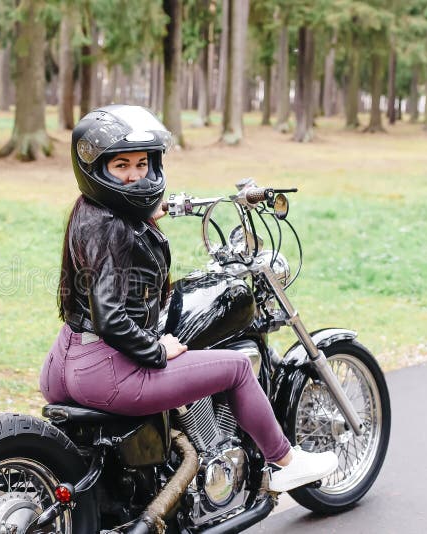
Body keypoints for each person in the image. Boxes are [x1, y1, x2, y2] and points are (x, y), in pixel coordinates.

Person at [39, 105, 337, 493]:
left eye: (142, 164)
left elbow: (107, 271)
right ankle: (287, 461)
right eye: (121, 167)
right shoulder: (112, 230)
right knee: (236, 369)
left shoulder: (90, 211)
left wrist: (144, 217)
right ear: (98, 170)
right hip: (106, 371)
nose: (134, 176)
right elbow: (111, 318)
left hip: (65, 362)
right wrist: (156, 348)